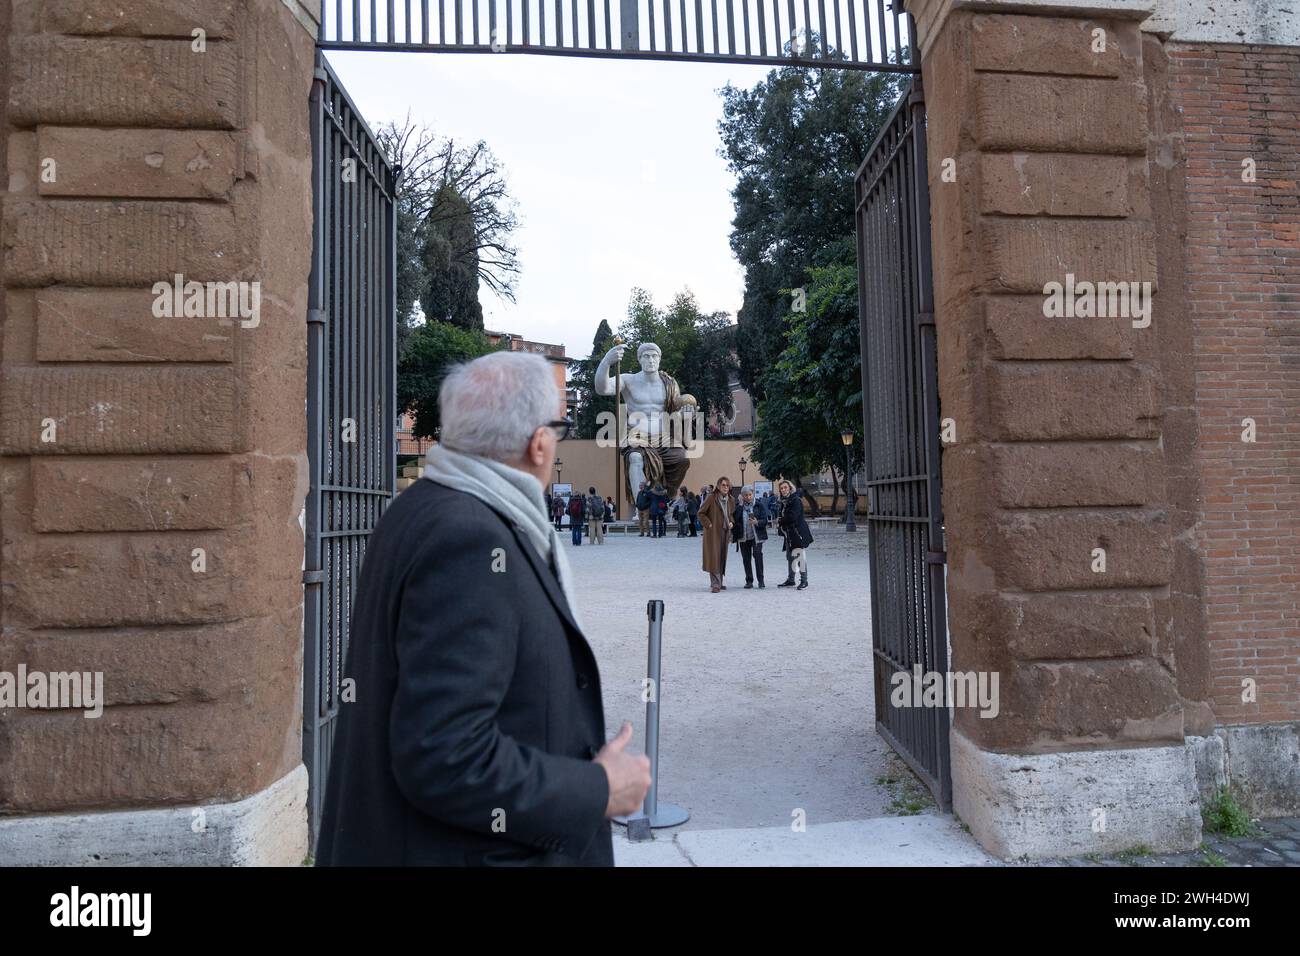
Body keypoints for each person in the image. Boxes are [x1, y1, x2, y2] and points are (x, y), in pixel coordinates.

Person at [316, 350, 651, 866]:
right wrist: (596, 789)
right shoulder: (470, 539)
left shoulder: (419, 507)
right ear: (539, 444)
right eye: (558, 429)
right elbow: (445, 754)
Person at [776, 479, 814, 590]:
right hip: (789, 533)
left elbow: (793, 516)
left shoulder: (795, 500)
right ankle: (791, 579)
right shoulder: (784, 501)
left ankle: (804, 580)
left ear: (790, 488)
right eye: (781, 488)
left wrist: (781, 520)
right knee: (790, 557)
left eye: (785, 488)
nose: (783, 490)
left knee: (799, 557)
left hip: (797, 532)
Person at [698, 476, 733, 592]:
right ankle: (715, 584)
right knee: (714, 557)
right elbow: (701, 513)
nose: (725, 487)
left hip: (725, 531)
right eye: (723, 485)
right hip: (713, 533)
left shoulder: (731, 499)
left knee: (722, 556)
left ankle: (720, 582)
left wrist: (731, 522)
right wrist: (709, 525)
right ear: (718, 486)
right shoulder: (711, 498)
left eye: (727, 485)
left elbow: (731, 514)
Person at [731, 484, 768, 588]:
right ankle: (749, 580)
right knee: (746, 559)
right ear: (742, 496)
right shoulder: (739, 507)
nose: (748, 497)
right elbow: (735, 521)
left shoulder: (759, 505)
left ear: (753, 494)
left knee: (757, 555)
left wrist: (757, 522)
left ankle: (761, 580)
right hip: (744, 537)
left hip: (757, 537)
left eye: (750, 494)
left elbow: (765, 520)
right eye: (745, 495)